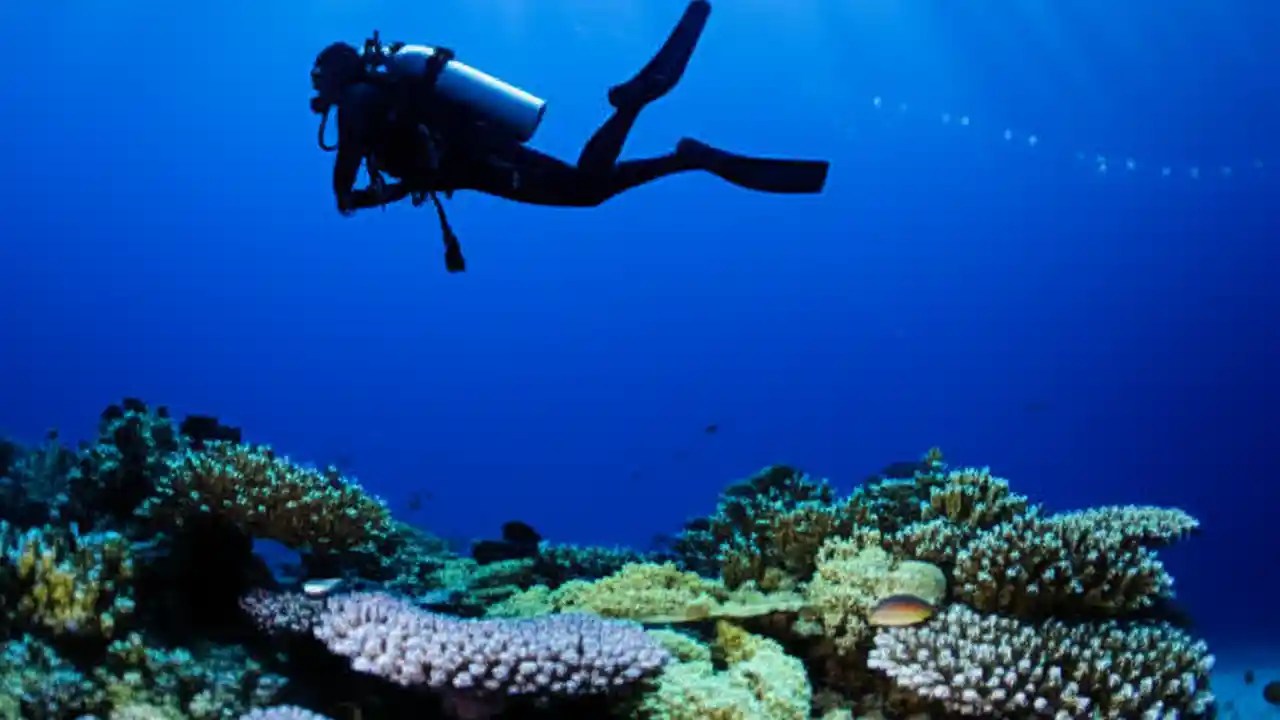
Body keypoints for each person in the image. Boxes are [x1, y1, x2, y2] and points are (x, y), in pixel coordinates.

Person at [308, 0, 830, 272]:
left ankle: (637, 106)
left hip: (480, 159)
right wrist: (380, 195)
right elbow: (418, 170)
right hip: (473, 163)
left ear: (337, 74)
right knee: (588, 191)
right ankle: (683, 156)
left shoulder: (359, 100)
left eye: (320, 79)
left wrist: (341, 193)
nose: (320, 92)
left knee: (585, 189)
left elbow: (350, 155)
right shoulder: (378, 101)